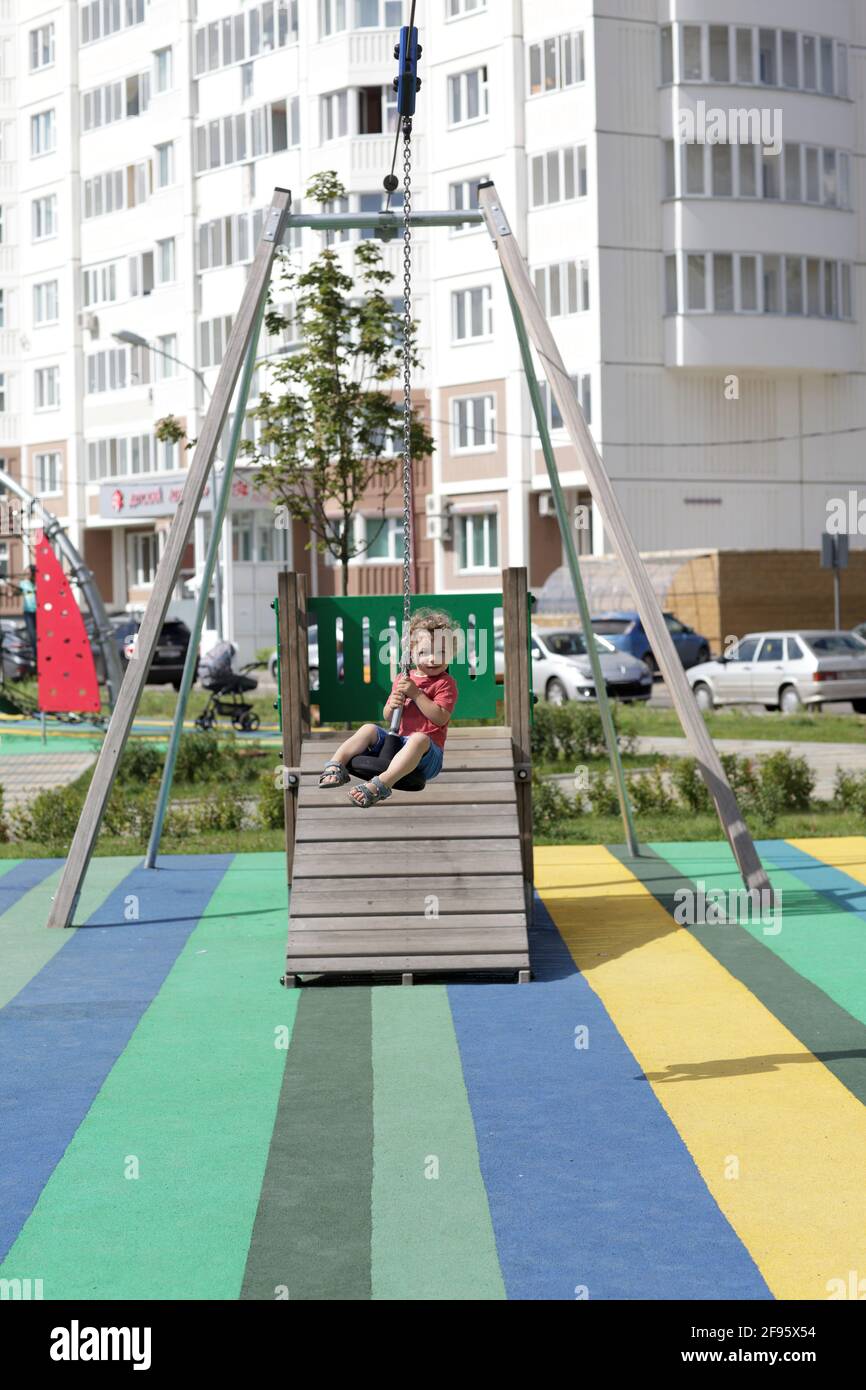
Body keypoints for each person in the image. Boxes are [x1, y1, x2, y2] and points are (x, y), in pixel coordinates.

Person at [318, 608, 459, 808]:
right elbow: (388, 716)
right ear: (411, 653)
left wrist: (416, 694)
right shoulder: (404, 678)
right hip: (397, 743)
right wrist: (393, 704)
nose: (432, 659)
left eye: (441, 652)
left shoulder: (445, 683)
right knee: (368, 728)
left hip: (428, 755)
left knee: (419, 738)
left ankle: (381, 785)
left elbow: (440, 718)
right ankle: (336, 765)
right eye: (424, 652)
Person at [19, 565, 37, 656]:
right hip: (28, 612)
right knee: (32, 634)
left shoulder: (38, 583)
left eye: (29, 573)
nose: (27, 575)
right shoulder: (23, 584)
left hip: (39, 613)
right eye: (26, 573)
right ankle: (35, 655)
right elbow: (17, 591)